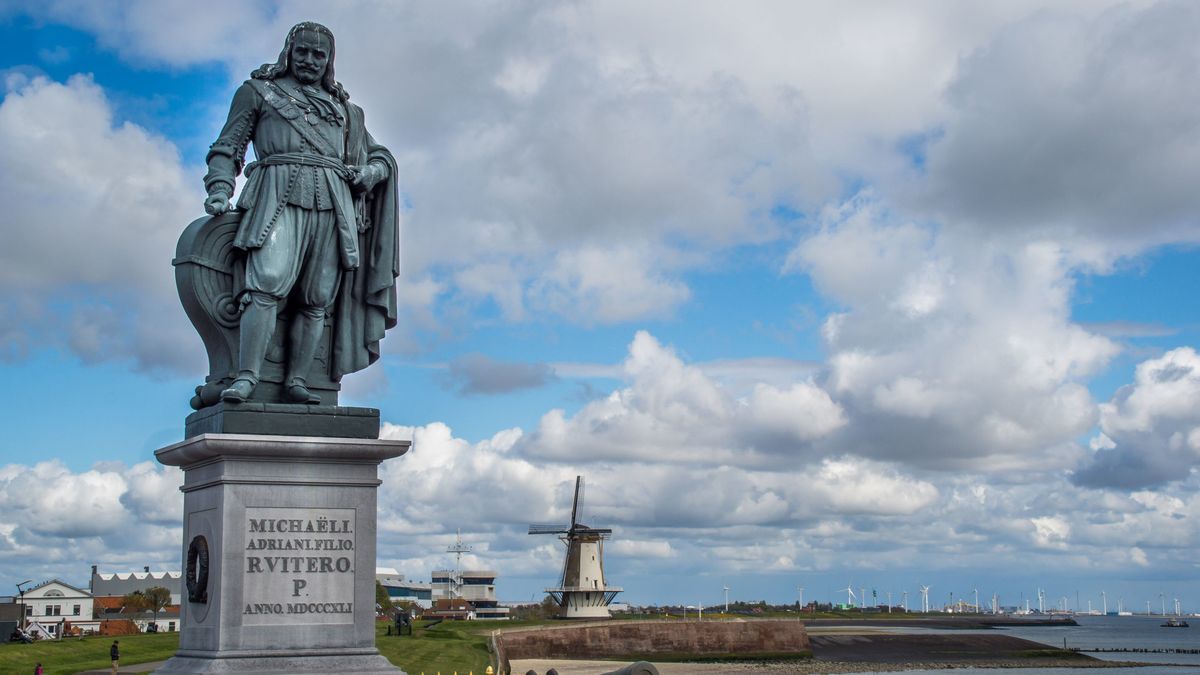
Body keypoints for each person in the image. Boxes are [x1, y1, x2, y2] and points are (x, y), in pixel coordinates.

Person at [204, 21, 399, 404]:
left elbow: (380, 157)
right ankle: (247, 376)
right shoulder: (258, 92)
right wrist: (219, 189)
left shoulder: (345, 110)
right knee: (266, 281)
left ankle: (298, 380)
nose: (310, 60)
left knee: (317, 297)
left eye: (318, 54)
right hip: (275, 195)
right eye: (303, 51)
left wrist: (370, 173)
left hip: (333, 204)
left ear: (329, 61)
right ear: (289, 53)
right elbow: (228, 147)